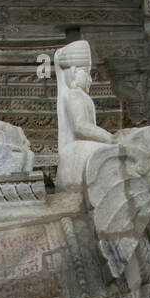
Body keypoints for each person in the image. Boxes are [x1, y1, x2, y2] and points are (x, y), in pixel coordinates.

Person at [54, 40, 115, 189]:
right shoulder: (74, 94)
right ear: (74, 72)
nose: (90, 79)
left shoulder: (80, 95)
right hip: (77, 150)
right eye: (86, 73)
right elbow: (80, 127)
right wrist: (110, 138)